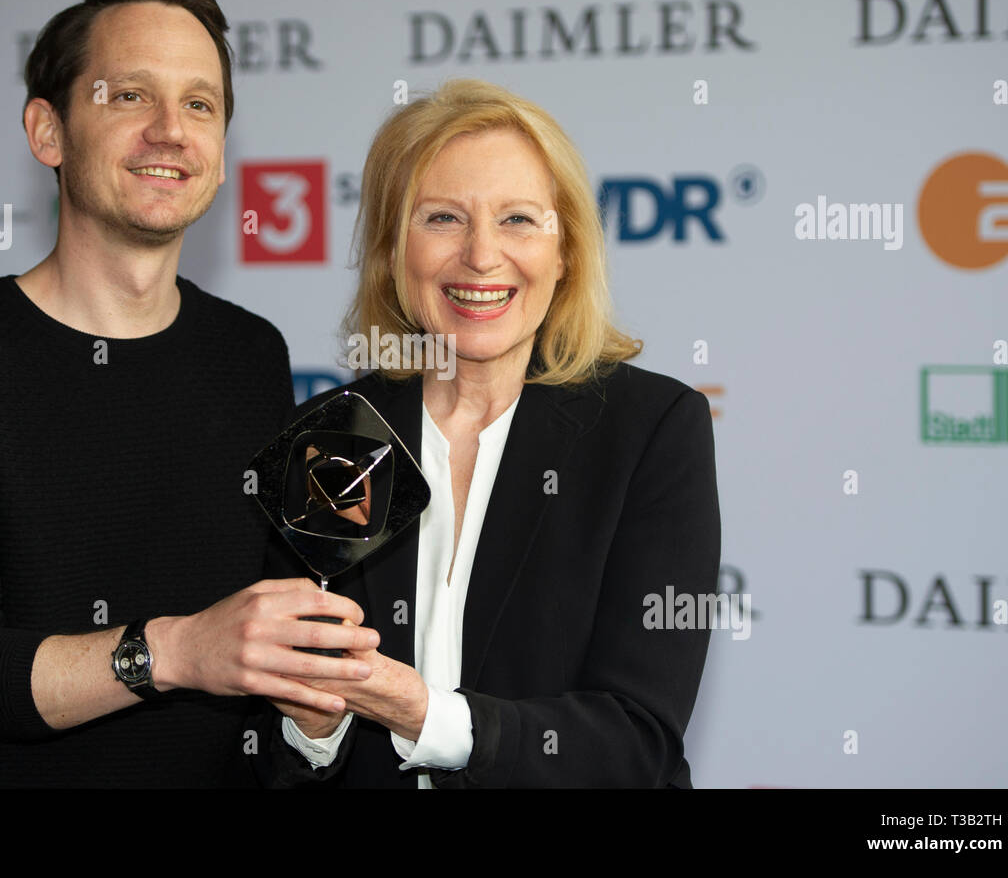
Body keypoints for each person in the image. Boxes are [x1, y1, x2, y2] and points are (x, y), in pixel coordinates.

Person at [0, 0, 377, 788]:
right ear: (48, 132)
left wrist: (316, 702)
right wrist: (172, 651)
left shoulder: (251, 354)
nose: (171, 129)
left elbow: (271, 641)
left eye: (199, 104)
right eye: (128, 95)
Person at [257, 79, 722, 787]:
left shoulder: (650, 432)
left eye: (518, 220)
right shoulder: (333, 436)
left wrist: (426, 714)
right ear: (390, 248)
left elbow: (638, 743)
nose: (481, 256)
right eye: (442, 218)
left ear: (565, 251)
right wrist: (309, 728)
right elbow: (266, 752)